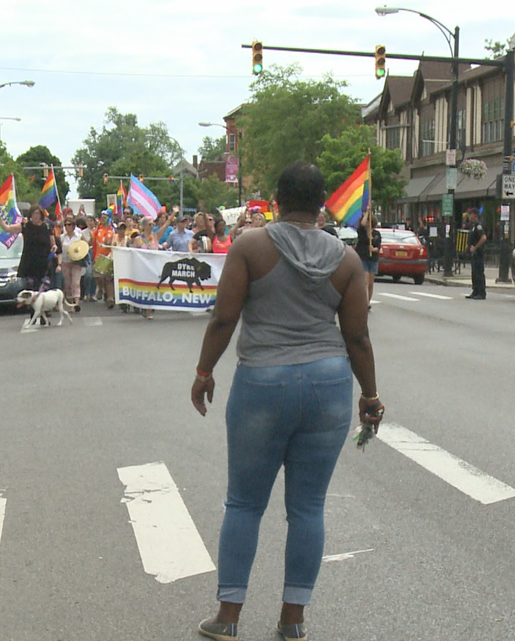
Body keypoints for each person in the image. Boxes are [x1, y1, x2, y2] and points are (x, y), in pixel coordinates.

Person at [191, 162, 381, 641]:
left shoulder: (251, 246)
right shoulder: (347, 260)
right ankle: (292, 620)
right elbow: (356, 336)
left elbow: (223, 318)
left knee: (244, 504)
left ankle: (228, 618)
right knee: (309, 508)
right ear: (322, 204)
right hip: (329, 384)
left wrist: (204, 372)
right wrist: (371, 395)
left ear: (276, 199)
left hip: (263, 382)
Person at [0, 205, 55, 293]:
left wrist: (54, 247)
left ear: (41, 214)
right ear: (30, 215)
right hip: (28, 264)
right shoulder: (25, 226)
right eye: (33, 213)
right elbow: (7, 228)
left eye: (37, 213)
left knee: (42, 292)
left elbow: (53, 244)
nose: (35, 216)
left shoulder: (47, 227)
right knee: (27, 292)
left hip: (43, 264)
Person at [57, 216, 85, 309]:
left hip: (76, 262)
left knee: (75, 282)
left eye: (69, 224)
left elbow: (84, 246)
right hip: (65, 261)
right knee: (67, 283)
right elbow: (59, 250)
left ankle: (76, 303)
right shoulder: (62, 237)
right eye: (65, 225)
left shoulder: (79, 236)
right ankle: (70, 303)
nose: (67, 226)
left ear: (73, 226)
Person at [354, 210, 381, 305]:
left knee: (371, 283)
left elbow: (378, 247)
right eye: (367, 220)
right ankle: (365, 302)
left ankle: (368, 301)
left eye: (369, 220)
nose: (367, 223)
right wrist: (367, 213)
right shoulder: (361, 232)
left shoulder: (377, 234)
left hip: (373, 260)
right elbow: (362, 224)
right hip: (363, 258)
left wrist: (373, 249)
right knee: (366, 281)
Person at [465, 209, 487, 300]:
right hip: (473, 254)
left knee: (479, 273)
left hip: (478, 253)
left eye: (470, 214)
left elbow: (483, 237)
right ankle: (475, 291)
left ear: (474, 215)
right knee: (474, 273)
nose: (469, 216)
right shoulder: (472, 226)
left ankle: (482, 292)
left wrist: (476, 247)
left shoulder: (478, 226)